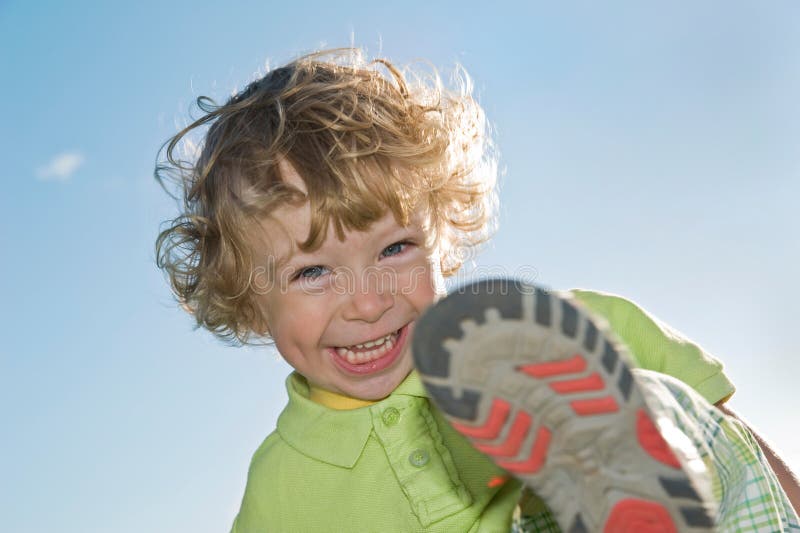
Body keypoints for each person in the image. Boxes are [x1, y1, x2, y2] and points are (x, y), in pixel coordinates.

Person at [155, 49, 799, 531]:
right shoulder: (280, 494)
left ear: (441, 234)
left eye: (395, 249)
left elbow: (748, 462)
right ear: (248, 296)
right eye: (313, 272)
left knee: (644, 410)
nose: (369, 301)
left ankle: (610, 454)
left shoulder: (576, 327)